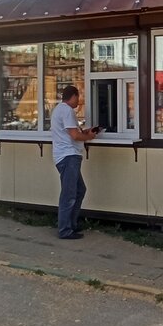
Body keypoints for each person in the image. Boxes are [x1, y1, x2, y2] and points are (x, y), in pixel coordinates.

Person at [51, 86, 97, 240]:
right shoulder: (67, 111)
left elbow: (72, 133)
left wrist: (84, 132)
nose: (80, 100)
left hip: (65, 156)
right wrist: (88, 137)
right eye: (78, 97)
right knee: (69, 194)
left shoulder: (59, 109)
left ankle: (71, 224)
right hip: (68, 156)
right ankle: (65, 229)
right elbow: (74, 136)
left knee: (79, 190)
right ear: (73, 96)